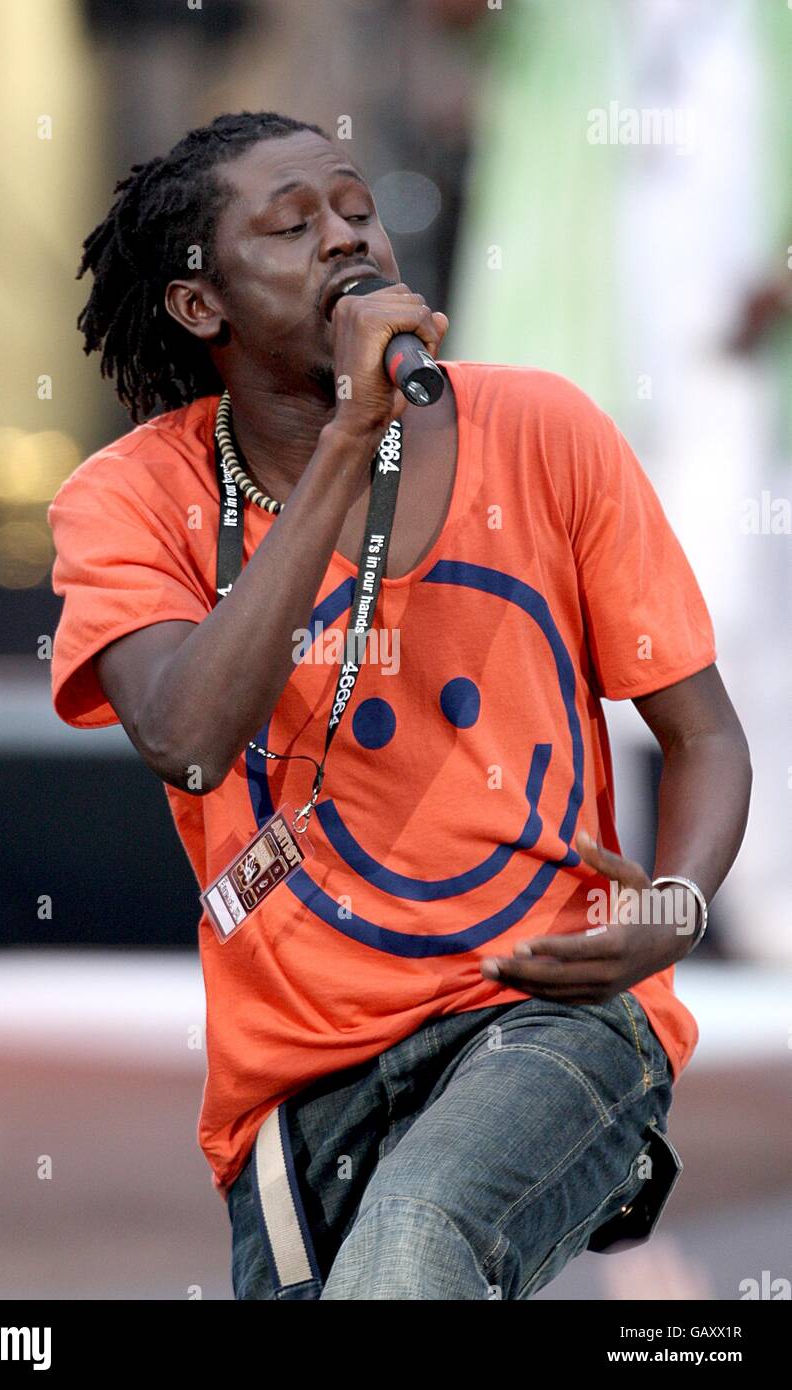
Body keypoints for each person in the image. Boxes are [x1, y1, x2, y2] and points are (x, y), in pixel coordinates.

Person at [48, 111, 752, 1300]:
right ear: (198, 306)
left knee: (413, 1251)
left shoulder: (540, 429)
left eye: (354, 207)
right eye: (290, 225)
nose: (343, 237)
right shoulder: (127, 501)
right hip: (296, 1083)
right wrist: (349, 434)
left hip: (546, 1010)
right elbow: (184, 736)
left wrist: (675, 908)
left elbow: (705, 735)